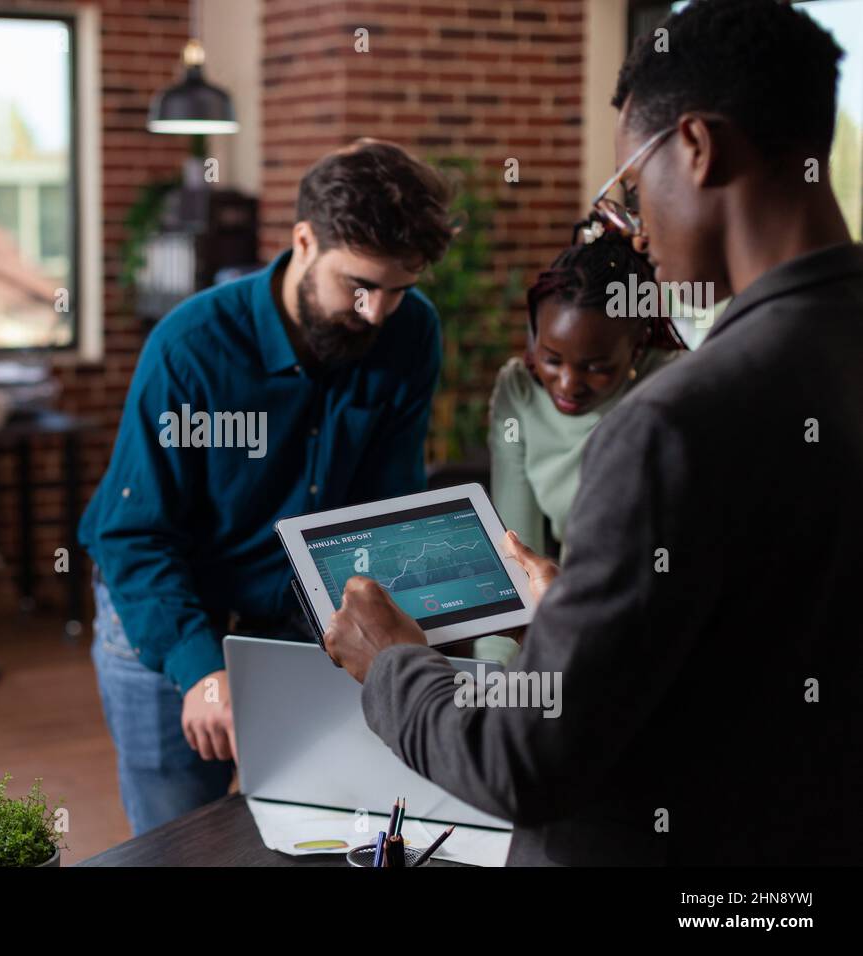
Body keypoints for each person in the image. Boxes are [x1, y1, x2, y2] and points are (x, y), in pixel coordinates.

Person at [324, 0, 863, 865]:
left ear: (696, 146)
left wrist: (394, 664)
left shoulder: (674, 425)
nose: (636, 229)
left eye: (631, 187)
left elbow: (529, 760)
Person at [79, 140, 457, 834]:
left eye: (399, 290)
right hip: (168, 617)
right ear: (305, 241)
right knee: (181, 844)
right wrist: (199, 670)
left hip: (298, 623)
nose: (378, 312)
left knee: (311, 828)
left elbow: (385, 513)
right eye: (361, 286)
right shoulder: (191, 347)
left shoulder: (411, 333)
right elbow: (135, 534)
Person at [489, 224, 687, 560]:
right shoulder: (521, 392)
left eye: (596, 367)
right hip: (575, 597)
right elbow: (520, 556)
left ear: (637, 347)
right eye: (551, 359)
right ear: (534, 335)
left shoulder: (676, 383)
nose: (568, 384)